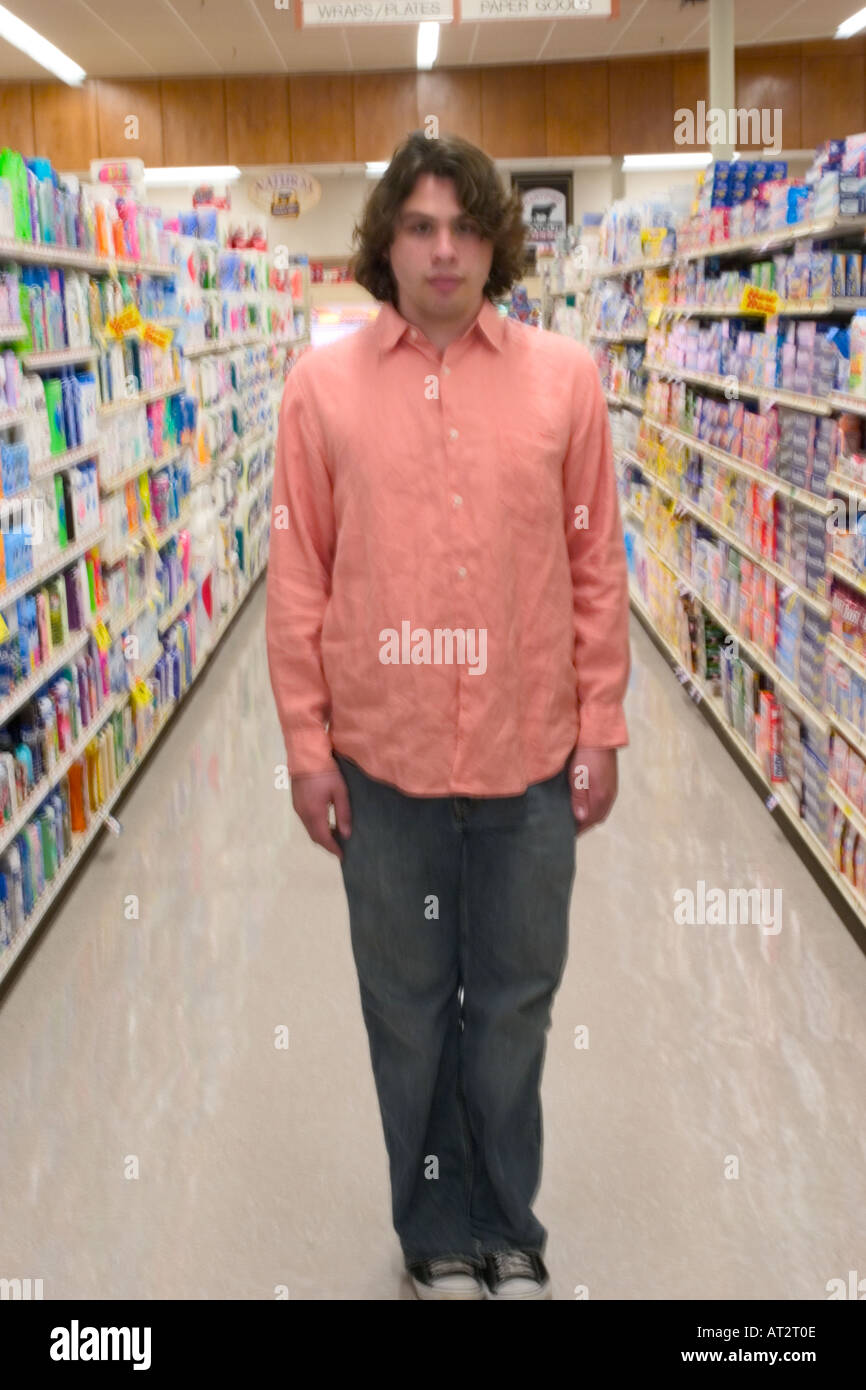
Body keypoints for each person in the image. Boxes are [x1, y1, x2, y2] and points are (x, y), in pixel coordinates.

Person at [265, 130, 630, 1301]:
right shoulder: (320, 388)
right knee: (410, 1013)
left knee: (515, 1005)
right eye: (418, 226)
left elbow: (595, 571)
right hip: (385, 766)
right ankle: (433, 1230)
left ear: (496, 242)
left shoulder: (562, 379)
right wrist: (305, 746)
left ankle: (507, 1220)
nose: (442, 249)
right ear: (386, 242)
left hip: (528, 763)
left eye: (464, 227)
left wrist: (601, 726)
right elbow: (299, 577)